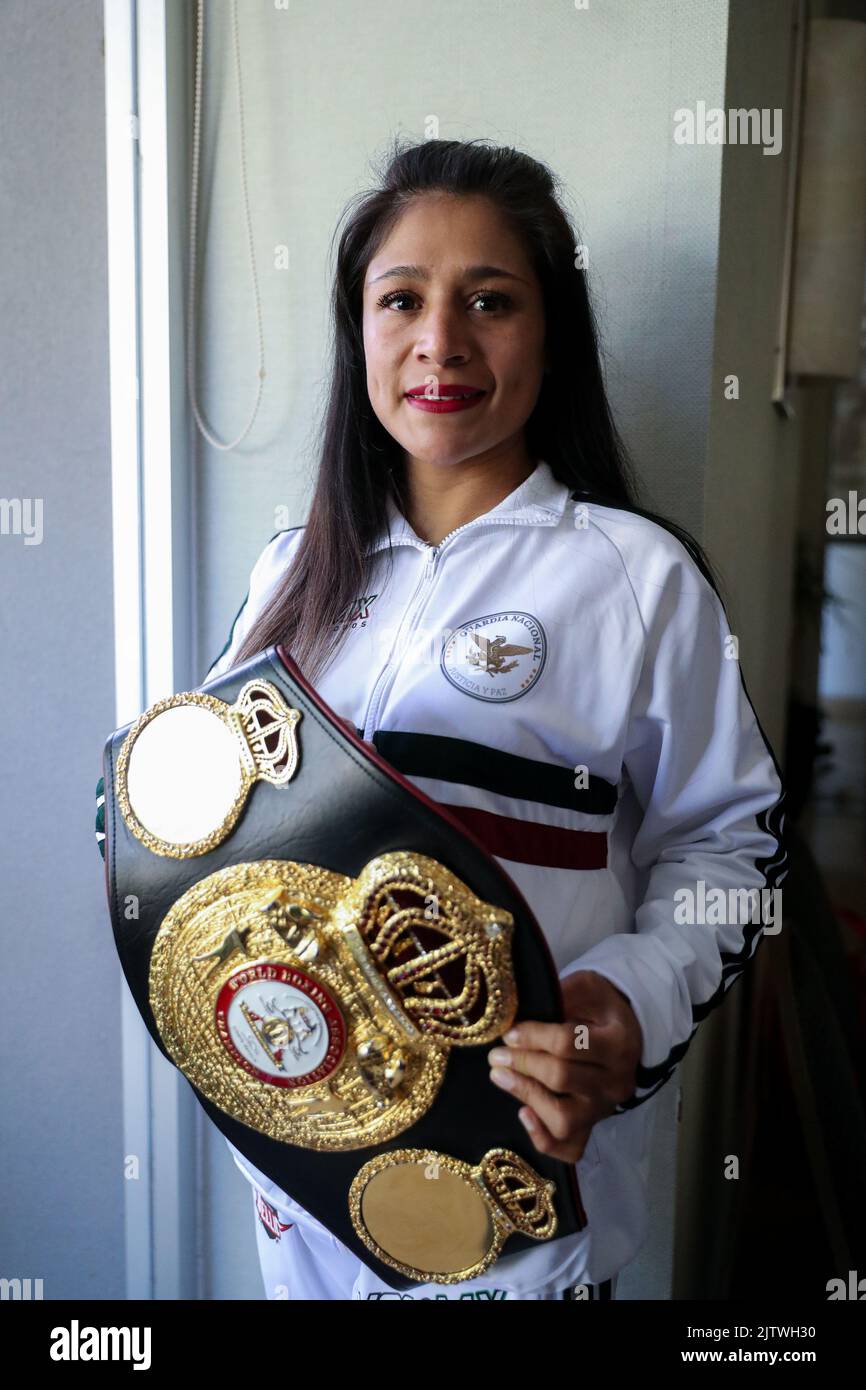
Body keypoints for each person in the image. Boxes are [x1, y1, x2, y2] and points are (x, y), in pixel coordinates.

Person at [97, 137, 787, 1301]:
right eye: (400, 299)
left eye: (490, 301)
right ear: (357, 331)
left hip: (515, 1217)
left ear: (549, 331)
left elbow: (728, 851)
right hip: (299, 1209)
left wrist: (622, 1001)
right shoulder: (289, 574)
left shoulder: (633, 574)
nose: (440, 341)